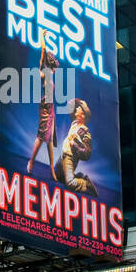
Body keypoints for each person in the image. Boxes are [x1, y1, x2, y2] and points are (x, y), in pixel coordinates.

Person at [27, 29, 60, 179]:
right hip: (45, 107)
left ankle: (52, 169)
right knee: (42, 137)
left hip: (51, 107)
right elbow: (43, 49)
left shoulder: (50, 73)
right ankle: (31, 161)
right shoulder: (42, 71)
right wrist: (42, 36)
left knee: (50, 139)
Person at [56, 98, 97, 195]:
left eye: (79, 108)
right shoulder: (75, 123)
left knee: (70, 183)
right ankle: (79, 176)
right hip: (63, 155)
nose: (76, 109)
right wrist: (77, 101)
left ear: (82, 115)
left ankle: (86, 184)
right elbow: (70, 105)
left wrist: (76, 147)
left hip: (70, 158)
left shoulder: (85, 133)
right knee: (57, 176)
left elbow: (87, 154)